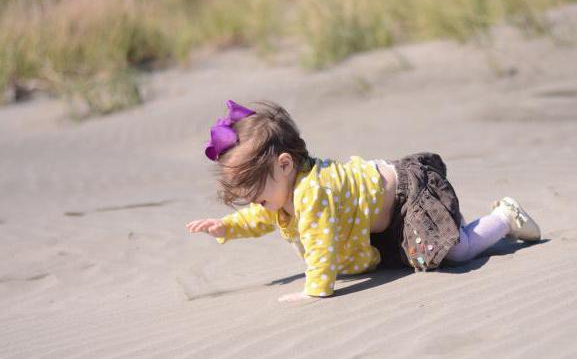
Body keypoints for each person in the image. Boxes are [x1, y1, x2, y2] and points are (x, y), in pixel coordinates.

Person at [186, 100, 541, 302]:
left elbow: (320, 244)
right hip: (385, 220)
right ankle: (479, 226)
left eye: (255, 191)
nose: (252, 200)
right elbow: (261, 216)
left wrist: (315, 291)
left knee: (454, 252)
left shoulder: (312, 193)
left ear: (284, 164)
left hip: (408, 194)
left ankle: (504, 217)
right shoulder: (282, 191)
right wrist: (227, 226)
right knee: (415, 259)